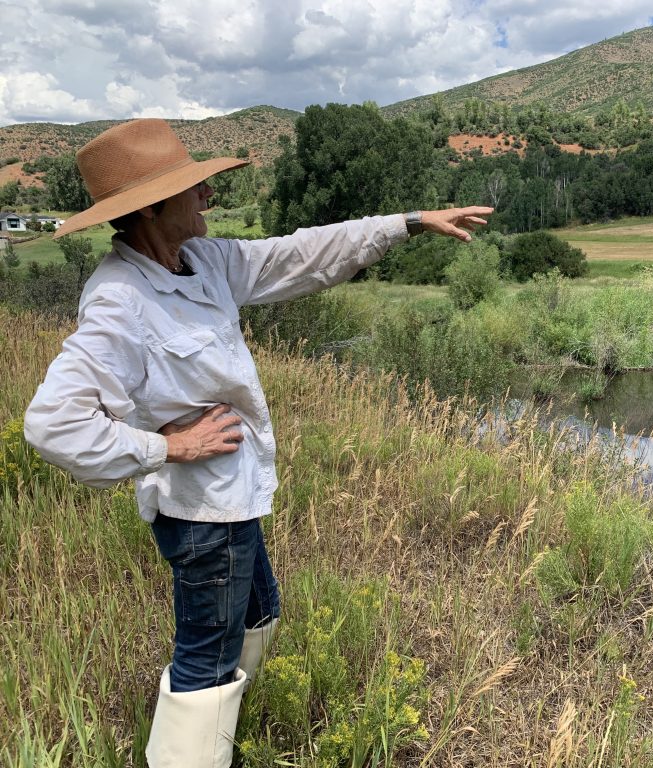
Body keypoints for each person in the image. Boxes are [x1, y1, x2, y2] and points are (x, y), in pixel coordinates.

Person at [22, 118, 491, 768]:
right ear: (151, 207)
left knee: (260, 614)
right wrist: (167, 448)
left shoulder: (203, 261)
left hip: (231, 499)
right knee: (205, 661)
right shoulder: (119, 300)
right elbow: (52, 423)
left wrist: (406, 222)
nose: (207, 197)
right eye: (193, 189)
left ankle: (230, 734)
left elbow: (299, 254)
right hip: (201, 517)